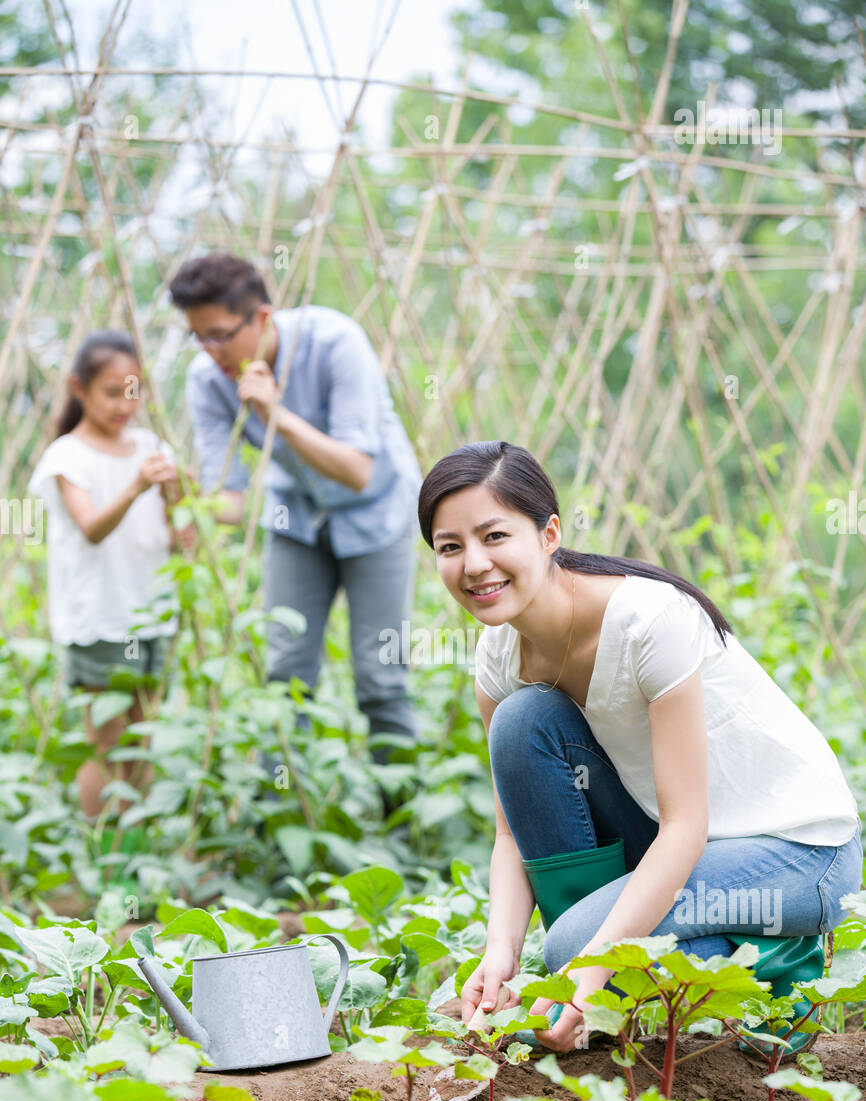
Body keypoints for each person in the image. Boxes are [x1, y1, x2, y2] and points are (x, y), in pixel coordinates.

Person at [418, 440, 863, 1054]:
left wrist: (587, 967)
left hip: (798, 851)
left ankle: (781, 958)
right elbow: (509, 837)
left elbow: (686, 826)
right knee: (521, 724)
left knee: (575, 948)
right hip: (687, 850)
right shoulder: (499, 656)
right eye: (450, 547)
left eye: (494, 536)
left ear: (548, 534)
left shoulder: (649, 621)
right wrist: (500, 955)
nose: (473, 564)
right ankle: (591, 997)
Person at [168, 254, 421, 778]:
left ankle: (404, 816)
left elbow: (358, 471)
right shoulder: (207, 379)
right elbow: (232, 504)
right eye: (198, 337)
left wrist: (274, 415)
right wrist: (189, 497)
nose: (211, 352)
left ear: (260, 319)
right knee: (284, 673)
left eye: (219, 335)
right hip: (295, 521)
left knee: (381, 675)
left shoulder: (335, 343)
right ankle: (279, 813)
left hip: (376, 515)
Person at [28, 330, 179, 821]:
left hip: (152, 610)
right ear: (79, 387)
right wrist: (137, 484)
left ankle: (133, 841)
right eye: (112, 392)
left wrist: (178, 503)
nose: (124, 404)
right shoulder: (67, 457)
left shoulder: (151, 446)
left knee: (143, 733)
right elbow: (92, 527)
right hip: (99, 615)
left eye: (133, 391)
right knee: (106, 740)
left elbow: (177, 531)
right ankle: (100, 842)